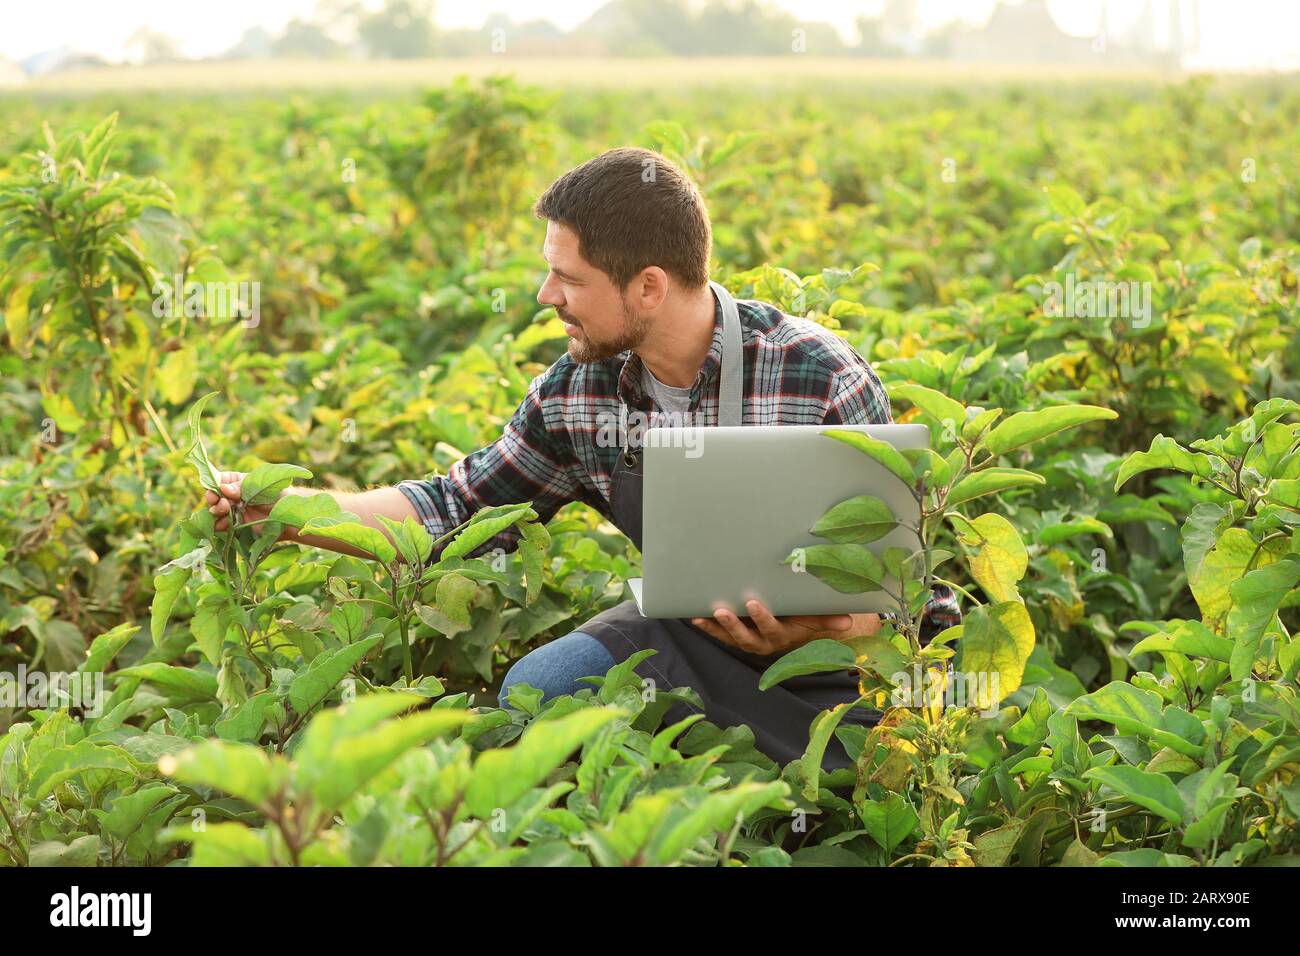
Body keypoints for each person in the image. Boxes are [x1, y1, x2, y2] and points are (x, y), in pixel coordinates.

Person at [205, 146, 959, 769]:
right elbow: (452, 508)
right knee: (540, 694)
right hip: (689, 637)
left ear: (649, 287)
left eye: (567, 279)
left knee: (869, 776)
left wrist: (819, 634)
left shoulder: (820, 377)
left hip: (846, 665)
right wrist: (283, 509)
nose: (544, 295)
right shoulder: (577, 392)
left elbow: (896, 605)